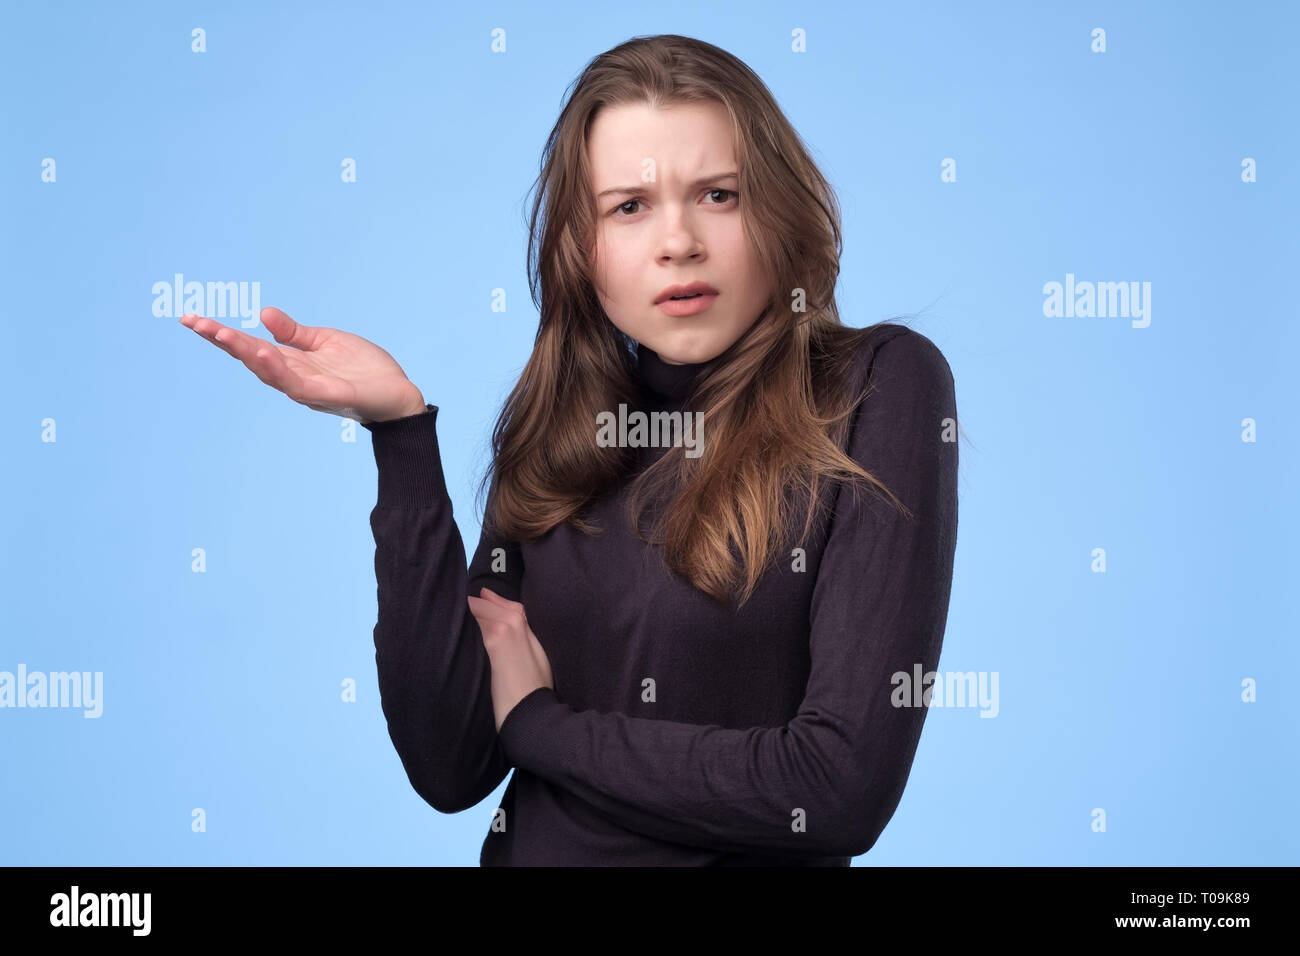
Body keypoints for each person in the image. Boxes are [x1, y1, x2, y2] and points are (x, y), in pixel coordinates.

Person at [179, 34, 959, 866]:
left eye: (719, 195)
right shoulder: (558, 428)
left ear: (777, 209)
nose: (678, 242)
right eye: (629, 206)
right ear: (582, 252)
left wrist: (542, 727)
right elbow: (451, 768)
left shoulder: (876, 386)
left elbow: (835, 791)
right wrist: (401, 437)